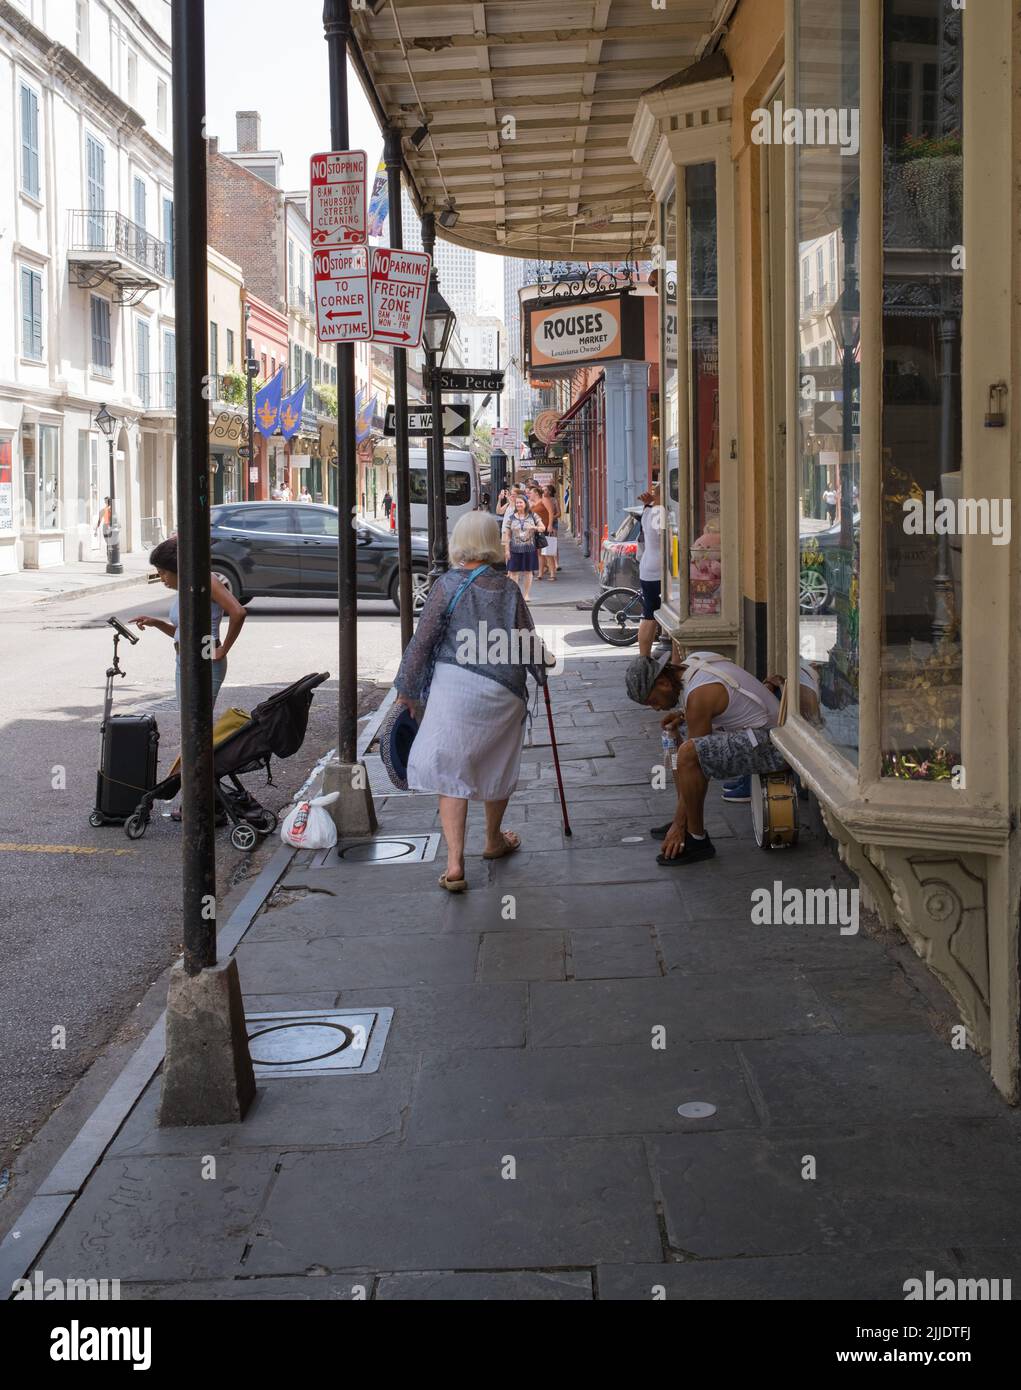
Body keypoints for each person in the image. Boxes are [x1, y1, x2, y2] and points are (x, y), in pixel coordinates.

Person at [393, 512, 547, 892]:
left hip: (456, 689)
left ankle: (455, 864)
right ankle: (493, 840)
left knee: (451, 770)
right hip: (504, 693)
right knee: (497, 762)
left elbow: (422, 642)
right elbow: (528, 642)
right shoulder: (509, 590)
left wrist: (406, 691)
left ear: (461, 541)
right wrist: (543, 670)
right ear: (494, 541)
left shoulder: (447, 585)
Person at [625, 649, 785, 867]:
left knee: (689, 754)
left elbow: (697, 754)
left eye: (653, 701)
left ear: (663, 683)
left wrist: (677, 827)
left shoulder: (700, 695)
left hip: (775, 745)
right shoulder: (693, 663)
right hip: (760, 733)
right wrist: (683, 717)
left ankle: (696, 837)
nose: (656, 708)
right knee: (673, 736)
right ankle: (685, 817)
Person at [134, 537, 247, 820]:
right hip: (183, 663)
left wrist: (222, 649)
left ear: (176, 568)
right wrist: (157, 623)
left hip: (203, 666)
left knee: (195, 735)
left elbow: (238, 611)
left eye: (162, 572)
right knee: (193, 735)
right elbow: (183, 630)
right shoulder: (186, 586)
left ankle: (204, 804)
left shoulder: (206, 580)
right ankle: (201, 800)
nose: (160, 578)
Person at [502, 492, 545, 600]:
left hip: (529, 548)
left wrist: (534, 528)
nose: (519, 505)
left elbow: (542, 528)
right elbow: (507, 535)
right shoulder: (511, 518)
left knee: (528, 572)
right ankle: (515, 595)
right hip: (515, 548)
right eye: (517, 503)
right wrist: (507, 550)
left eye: (521, 502)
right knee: (513, 573)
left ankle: (526, 594)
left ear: (525, 504)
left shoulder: (533, 516)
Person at [637, 483, 662, 657]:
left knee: (649, 614)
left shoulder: (647, 511)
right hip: (659, 569)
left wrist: (648, 502)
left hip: (647, 566)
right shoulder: (659, 512)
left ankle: (644, 657)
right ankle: (676, 664)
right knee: (669, 617)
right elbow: (667, 538)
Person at [527, 485, 555, 581]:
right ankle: (540, 574)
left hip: (545, 528)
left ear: (536, 493)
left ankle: (552, 574)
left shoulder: (544, 500)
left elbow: (551, 512)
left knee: (547, 552)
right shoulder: (533, 504)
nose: (529, 495)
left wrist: (550, 525)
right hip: (537, 530)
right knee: (539, 553)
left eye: (530, 493)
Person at [545, 484, 562, 572]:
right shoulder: (542, 500)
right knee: (544, 544)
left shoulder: (554, 500)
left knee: (553, 543)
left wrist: (551, 518)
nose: (543, 491)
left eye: (545, 490)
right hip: (543, 524)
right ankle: (547, 564)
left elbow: (559, 513)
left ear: (550, 492)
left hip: (553, 524)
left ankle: (556, 563)